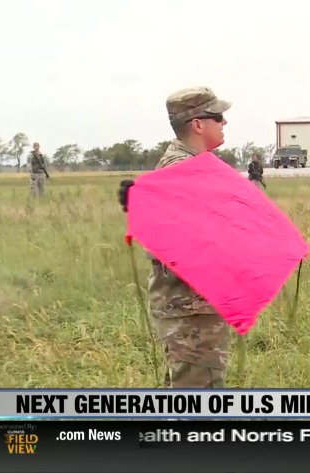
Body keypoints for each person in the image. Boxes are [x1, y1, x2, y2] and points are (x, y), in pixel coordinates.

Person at [118, 86, 232, 388]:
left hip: (193, 306)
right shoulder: (184, 170)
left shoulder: (194, 166)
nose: (225, 123)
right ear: (197, 124)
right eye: (218, 117)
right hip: (191, 309)